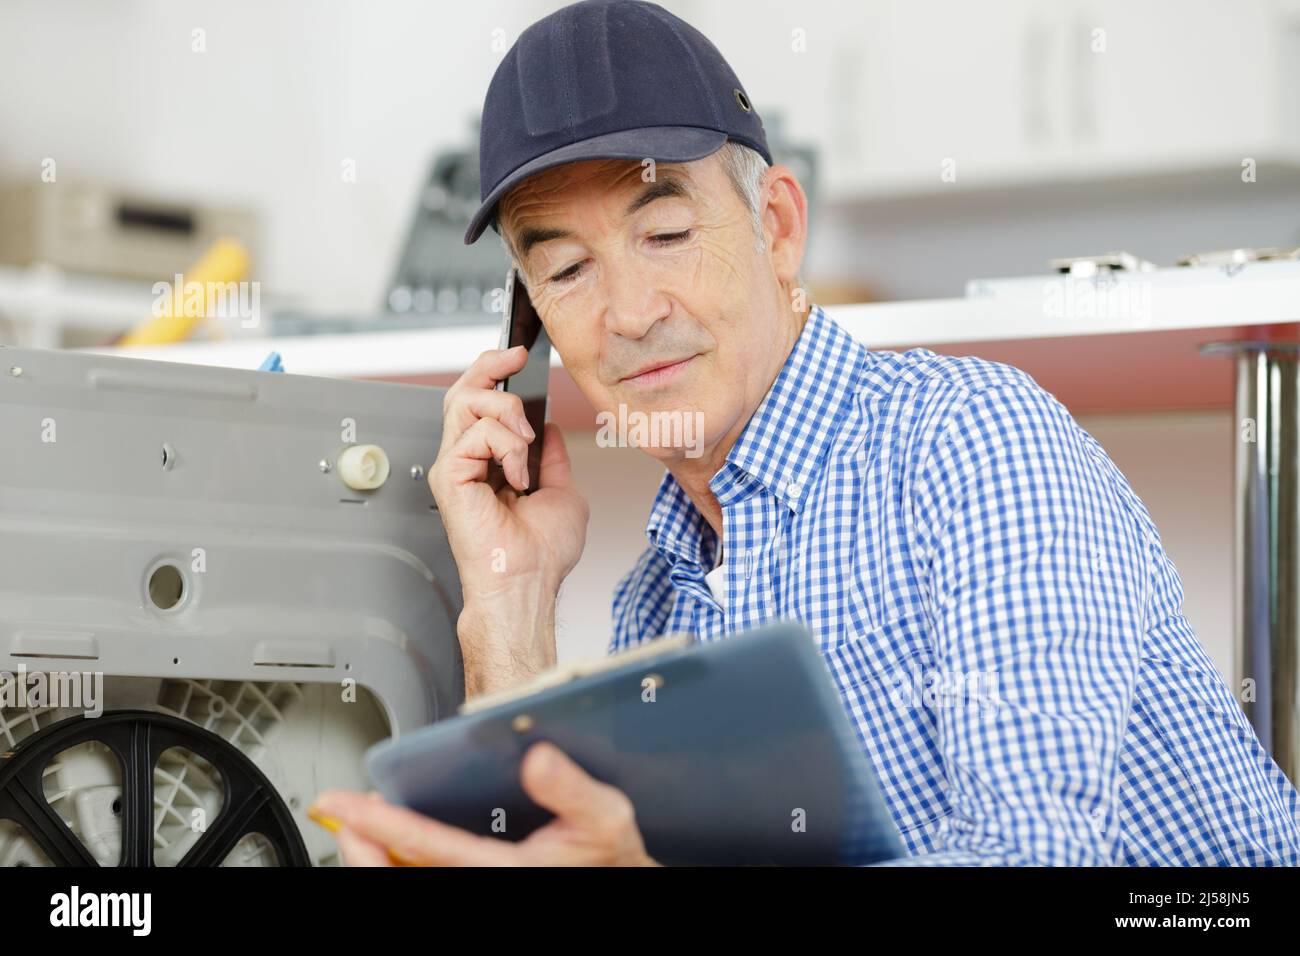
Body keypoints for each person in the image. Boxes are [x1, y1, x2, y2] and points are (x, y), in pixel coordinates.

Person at [309, 0, 1300, 866]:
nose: (626, 311)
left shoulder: (969, 444)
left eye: (663, 233)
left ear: (777, 228)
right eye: (565, 269)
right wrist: (511, 599)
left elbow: (1035, 856)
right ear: (531, 325)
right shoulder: (655, 604)